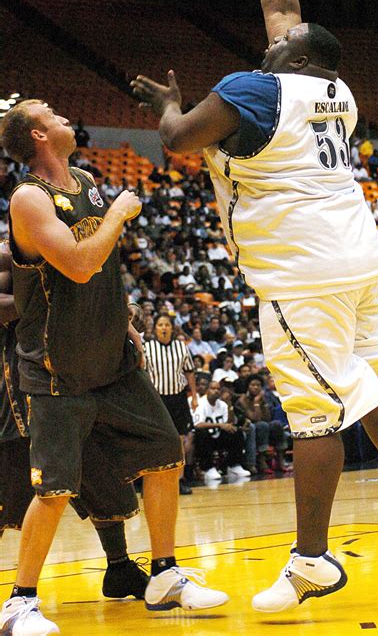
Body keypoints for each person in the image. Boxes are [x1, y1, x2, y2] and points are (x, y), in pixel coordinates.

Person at [131, 0, 378, 613]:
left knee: (313, 412)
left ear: (300, 57)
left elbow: (181, 140)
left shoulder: (257, 88)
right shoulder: (335, 90)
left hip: (298, 271)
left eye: (283, 43)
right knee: (365, 383)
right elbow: (285, 7)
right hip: (355, 255)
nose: (270, 41)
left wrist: (169, 105)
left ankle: (312, 560)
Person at [0, 100, 228, 635]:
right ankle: (19, 604)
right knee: (54, 489)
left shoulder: (85, 179)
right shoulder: (30, 200)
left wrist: (123, 320)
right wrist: (120, 215)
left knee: (167, 457)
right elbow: (80, 264)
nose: (63, 117)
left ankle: (166, 575)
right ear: (38, 134)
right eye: (53, 115)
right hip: (59, 369)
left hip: (113, 362)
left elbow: (102, 272)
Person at [0, 242, 149, 601]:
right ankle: (25, 593)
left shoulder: (64, 246)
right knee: (11, 482)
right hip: (20, 383)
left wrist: (122, 311)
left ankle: (119, 566)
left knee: (98, 471)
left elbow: (96, 289)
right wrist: (56, 302)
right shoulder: (8, 254)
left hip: (71, 378)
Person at [144, 314, 198, 495]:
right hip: (157, 400)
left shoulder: (181, 347)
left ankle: (179, 480)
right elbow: (142, 375)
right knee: (155, 440)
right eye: (160, 325)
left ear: (172, 328)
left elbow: (190, 372)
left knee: (180, 440)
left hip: (178, 399)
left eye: (167, 324)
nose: (164, 328)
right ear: (155, 328)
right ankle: (152, 481)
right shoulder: (147, 347)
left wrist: (195, 396)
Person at [191, 380, 250, 481]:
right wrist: (219, 425)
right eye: (213, 388)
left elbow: (229, 423)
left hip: (218, 436)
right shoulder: (201, 403)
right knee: (201, 433)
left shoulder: (223, 404)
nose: (216, 391)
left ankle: (233, 465)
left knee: (236, 432)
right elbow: (198, 425)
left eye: (218, 389)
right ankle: (208, 468)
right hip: (205, 439)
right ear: (207, 391)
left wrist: (229, 405)